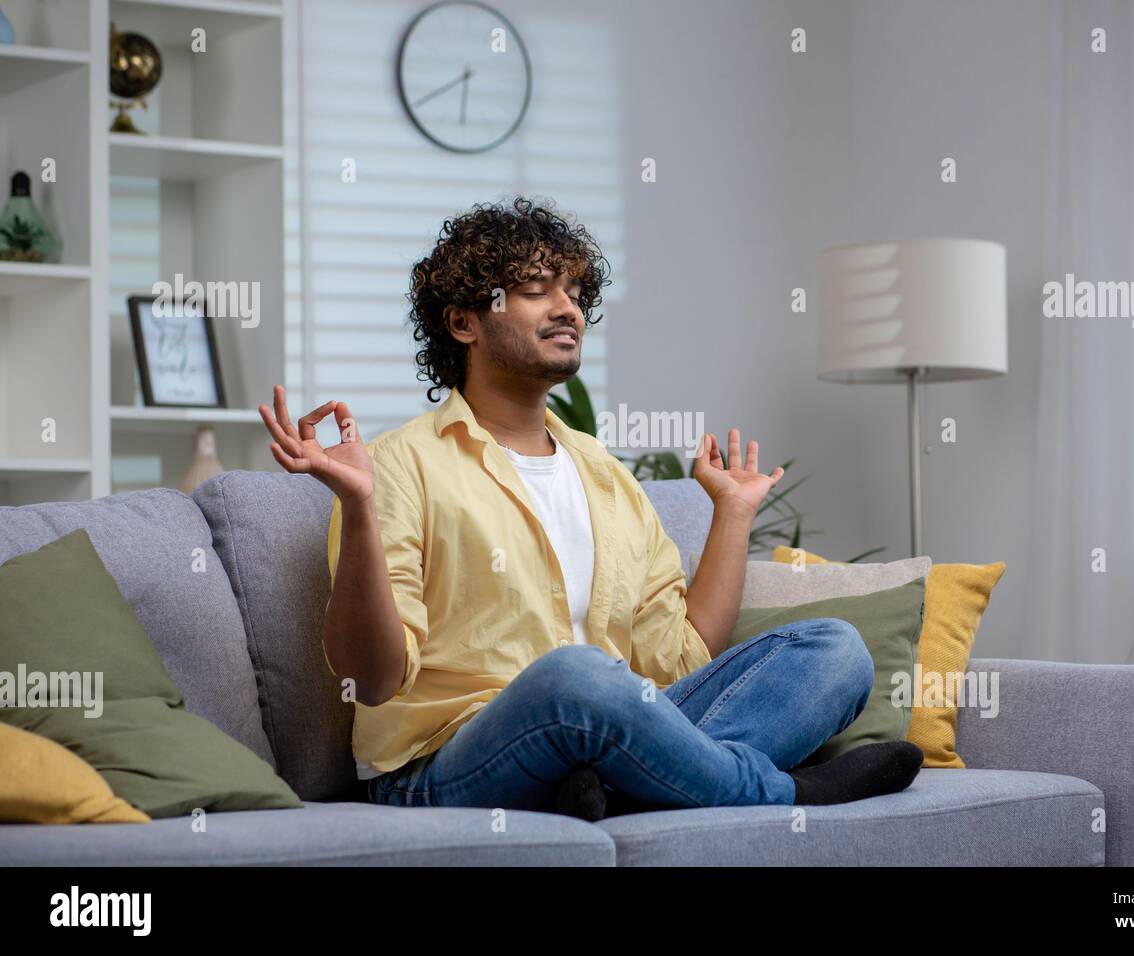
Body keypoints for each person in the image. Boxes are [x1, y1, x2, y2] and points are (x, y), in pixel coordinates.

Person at [258, 195, 921, 821]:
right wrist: (361, 508)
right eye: (535, 290)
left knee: (835, 650)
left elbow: (682, 662)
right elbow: (371, 681)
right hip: (441, 766)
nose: (567, 308)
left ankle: (625, 787)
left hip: (599, 737)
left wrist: (733, 515)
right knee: (577, 676)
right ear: (464, 321)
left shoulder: (605, 476)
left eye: (575, 293)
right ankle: (780, 792)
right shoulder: (397, 467)